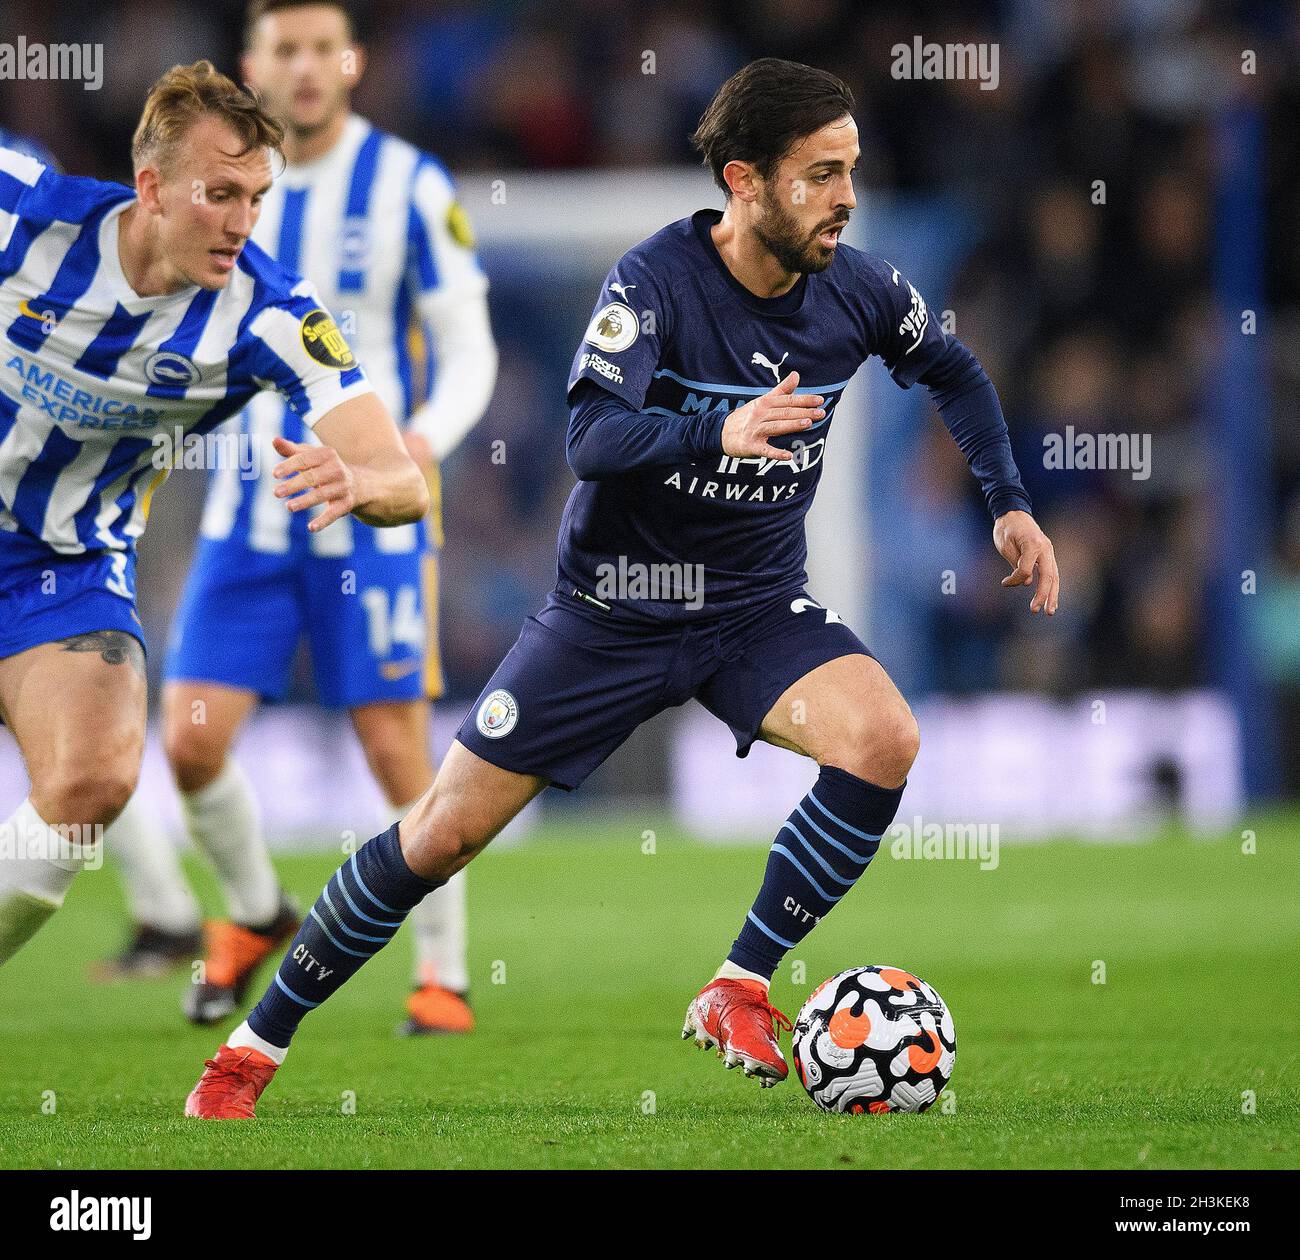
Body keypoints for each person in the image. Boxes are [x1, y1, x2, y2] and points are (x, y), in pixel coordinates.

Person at [185, 57, 1058, 1118]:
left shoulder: (862, 291)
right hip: (611, 612)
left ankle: (737, 983)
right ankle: (251, 1049)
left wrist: (1007, 501)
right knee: (439, 835)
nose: (845, 198)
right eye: (819, 175)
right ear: (745, 180)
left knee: (884, 740)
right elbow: (592, 436)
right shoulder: (656, 280)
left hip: (749, 610)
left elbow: (954, 371)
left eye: (851, 172)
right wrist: (717, 426)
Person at [100, 0, 496, 1037]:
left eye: (326, 47)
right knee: (188, 743)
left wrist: (422, 443)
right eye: (288, 49)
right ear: (252, 64)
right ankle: (255, 911)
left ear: (354, 61)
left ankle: (443, 976)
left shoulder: (408, 183)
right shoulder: (213, 194)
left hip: (376, 517)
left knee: (397, 752)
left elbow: (469, 349)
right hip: (250, 514)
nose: (308, 68)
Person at [0, 59, 428, 967]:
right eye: (220, 193)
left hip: (61, 569)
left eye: (258, 197)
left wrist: (361, 485)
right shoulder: (22, 208)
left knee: (95, 777)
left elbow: (403, 478)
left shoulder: (271, 315)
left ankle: (175, 913)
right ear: (150, 187)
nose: (241, 223)